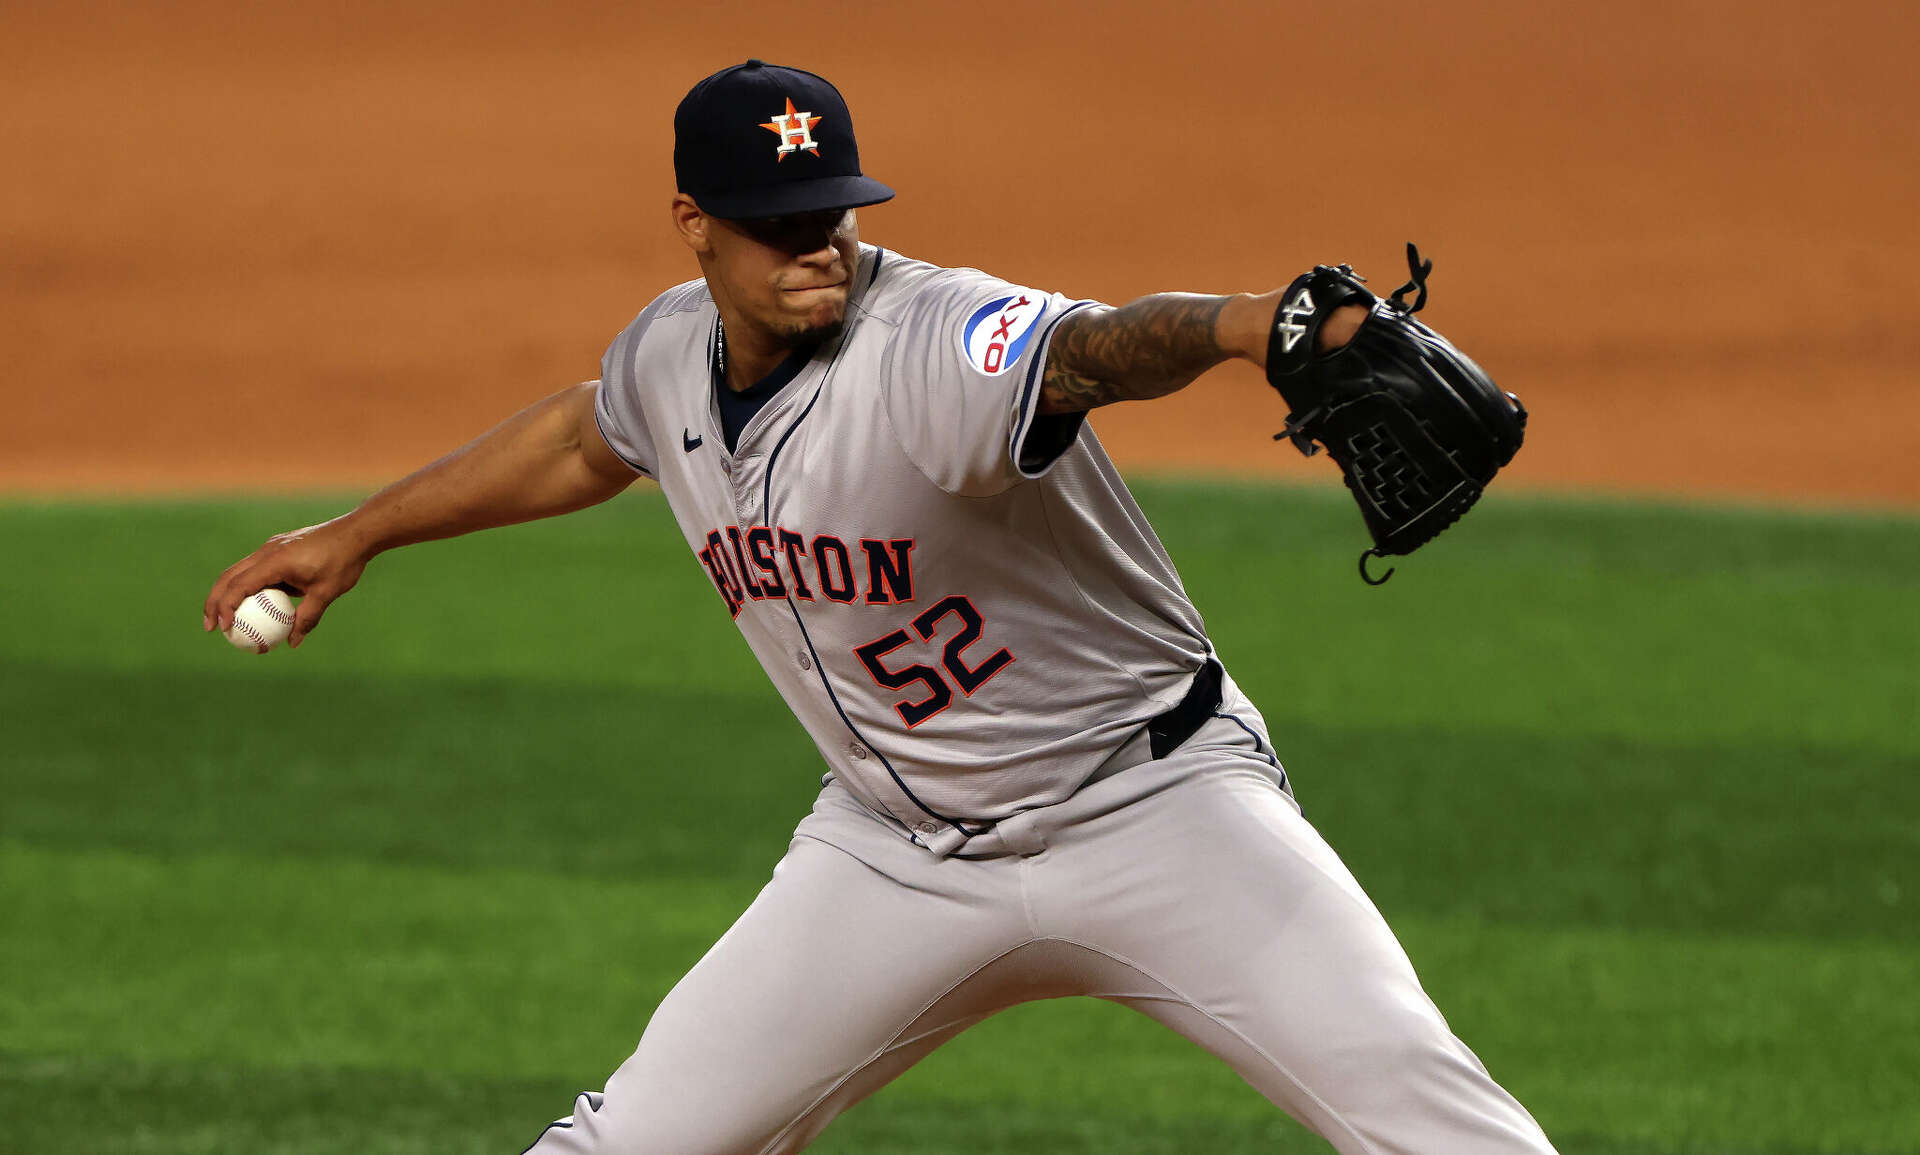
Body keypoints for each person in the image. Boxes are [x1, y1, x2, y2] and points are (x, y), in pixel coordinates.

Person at [203, 59, 1557, 1155]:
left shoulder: (936, 341)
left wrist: (1245, 324)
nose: (817, 249)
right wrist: (361, 533)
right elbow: (584, 437)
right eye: (778, 225)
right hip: (896, 854)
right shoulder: (670, 351)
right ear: (696, 225)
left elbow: (1088, 349)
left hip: (1159, 811)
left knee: (1437, 1124)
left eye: (833, 215)